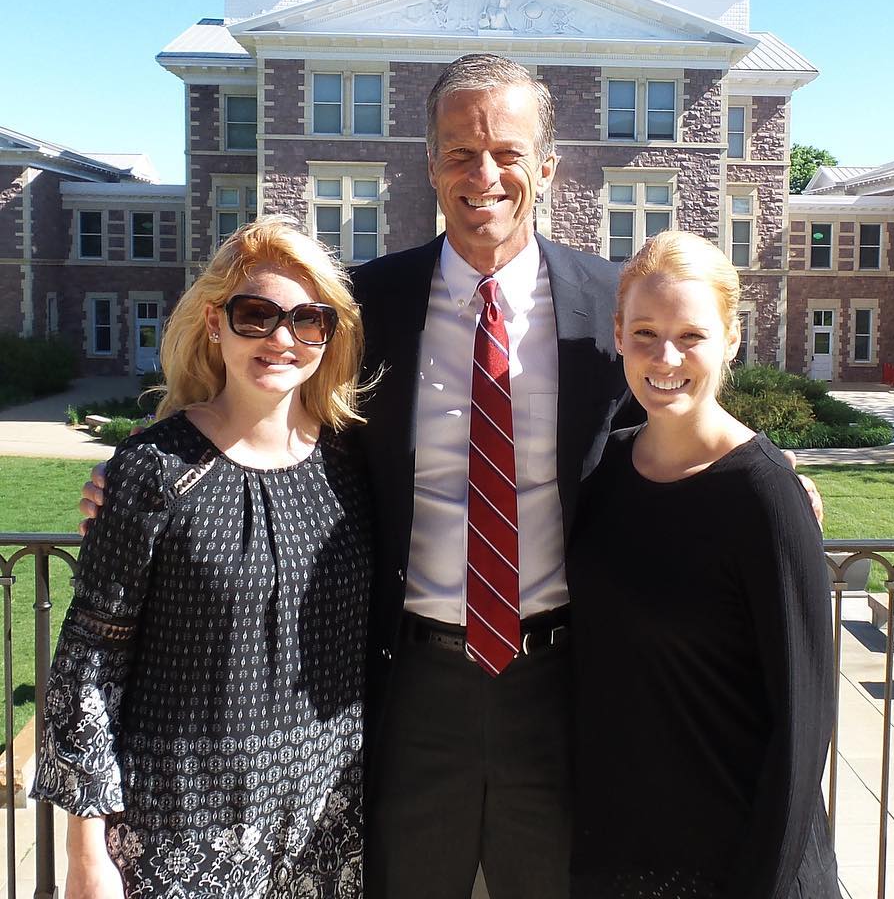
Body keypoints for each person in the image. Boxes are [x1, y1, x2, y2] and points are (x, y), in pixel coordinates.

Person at [82, 55, 822, 899]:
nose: (484, 175)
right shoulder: (366, 307)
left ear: (546, 166)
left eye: (507, 151)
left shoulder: (605, 310)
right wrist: (148, 467)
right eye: (459, 153)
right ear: (428, 164)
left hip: (567, 681)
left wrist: (760, 471)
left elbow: (672, 409)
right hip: (410, 682)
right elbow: (265, 400)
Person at [39, 218, 371, 898]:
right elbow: (90, 662)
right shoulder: (152, 472)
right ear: (215, 324)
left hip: (326, 832)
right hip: (183, 833)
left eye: (307, 321)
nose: (281, 339)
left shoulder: (355, 468)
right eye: (257, 315)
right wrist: (86, 847)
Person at [566, 230, 840, 899]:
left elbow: (804, 726)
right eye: (646, 333)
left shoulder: (765, 494)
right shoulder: (602, 477)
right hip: (618, 852)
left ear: (731, 339)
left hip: (734, 861)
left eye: (691, 336)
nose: (666, 357)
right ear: (618, 334)